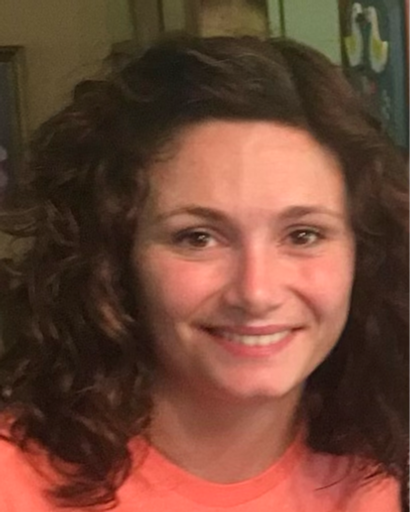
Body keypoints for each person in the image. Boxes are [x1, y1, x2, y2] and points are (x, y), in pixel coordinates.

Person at [0, 35, 408, 512]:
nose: (256, 292)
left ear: (364, 253)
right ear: (115, 259)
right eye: (198, 238)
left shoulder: (390, 462)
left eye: (303, 235)